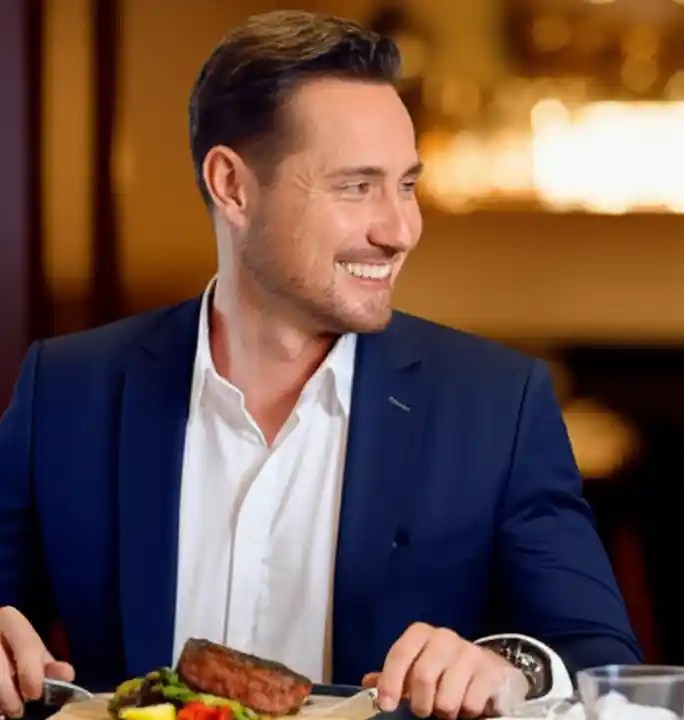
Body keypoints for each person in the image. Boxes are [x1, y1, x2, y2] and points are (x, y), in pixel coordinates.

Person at [0, 10, 640, 719]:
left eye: (406, 185)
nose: (401, 229)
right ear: (232, 186)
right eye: (356, 186)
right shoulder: (69, 390)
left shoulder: (495, 403)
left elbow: (603, 667)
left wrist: (507, 669)